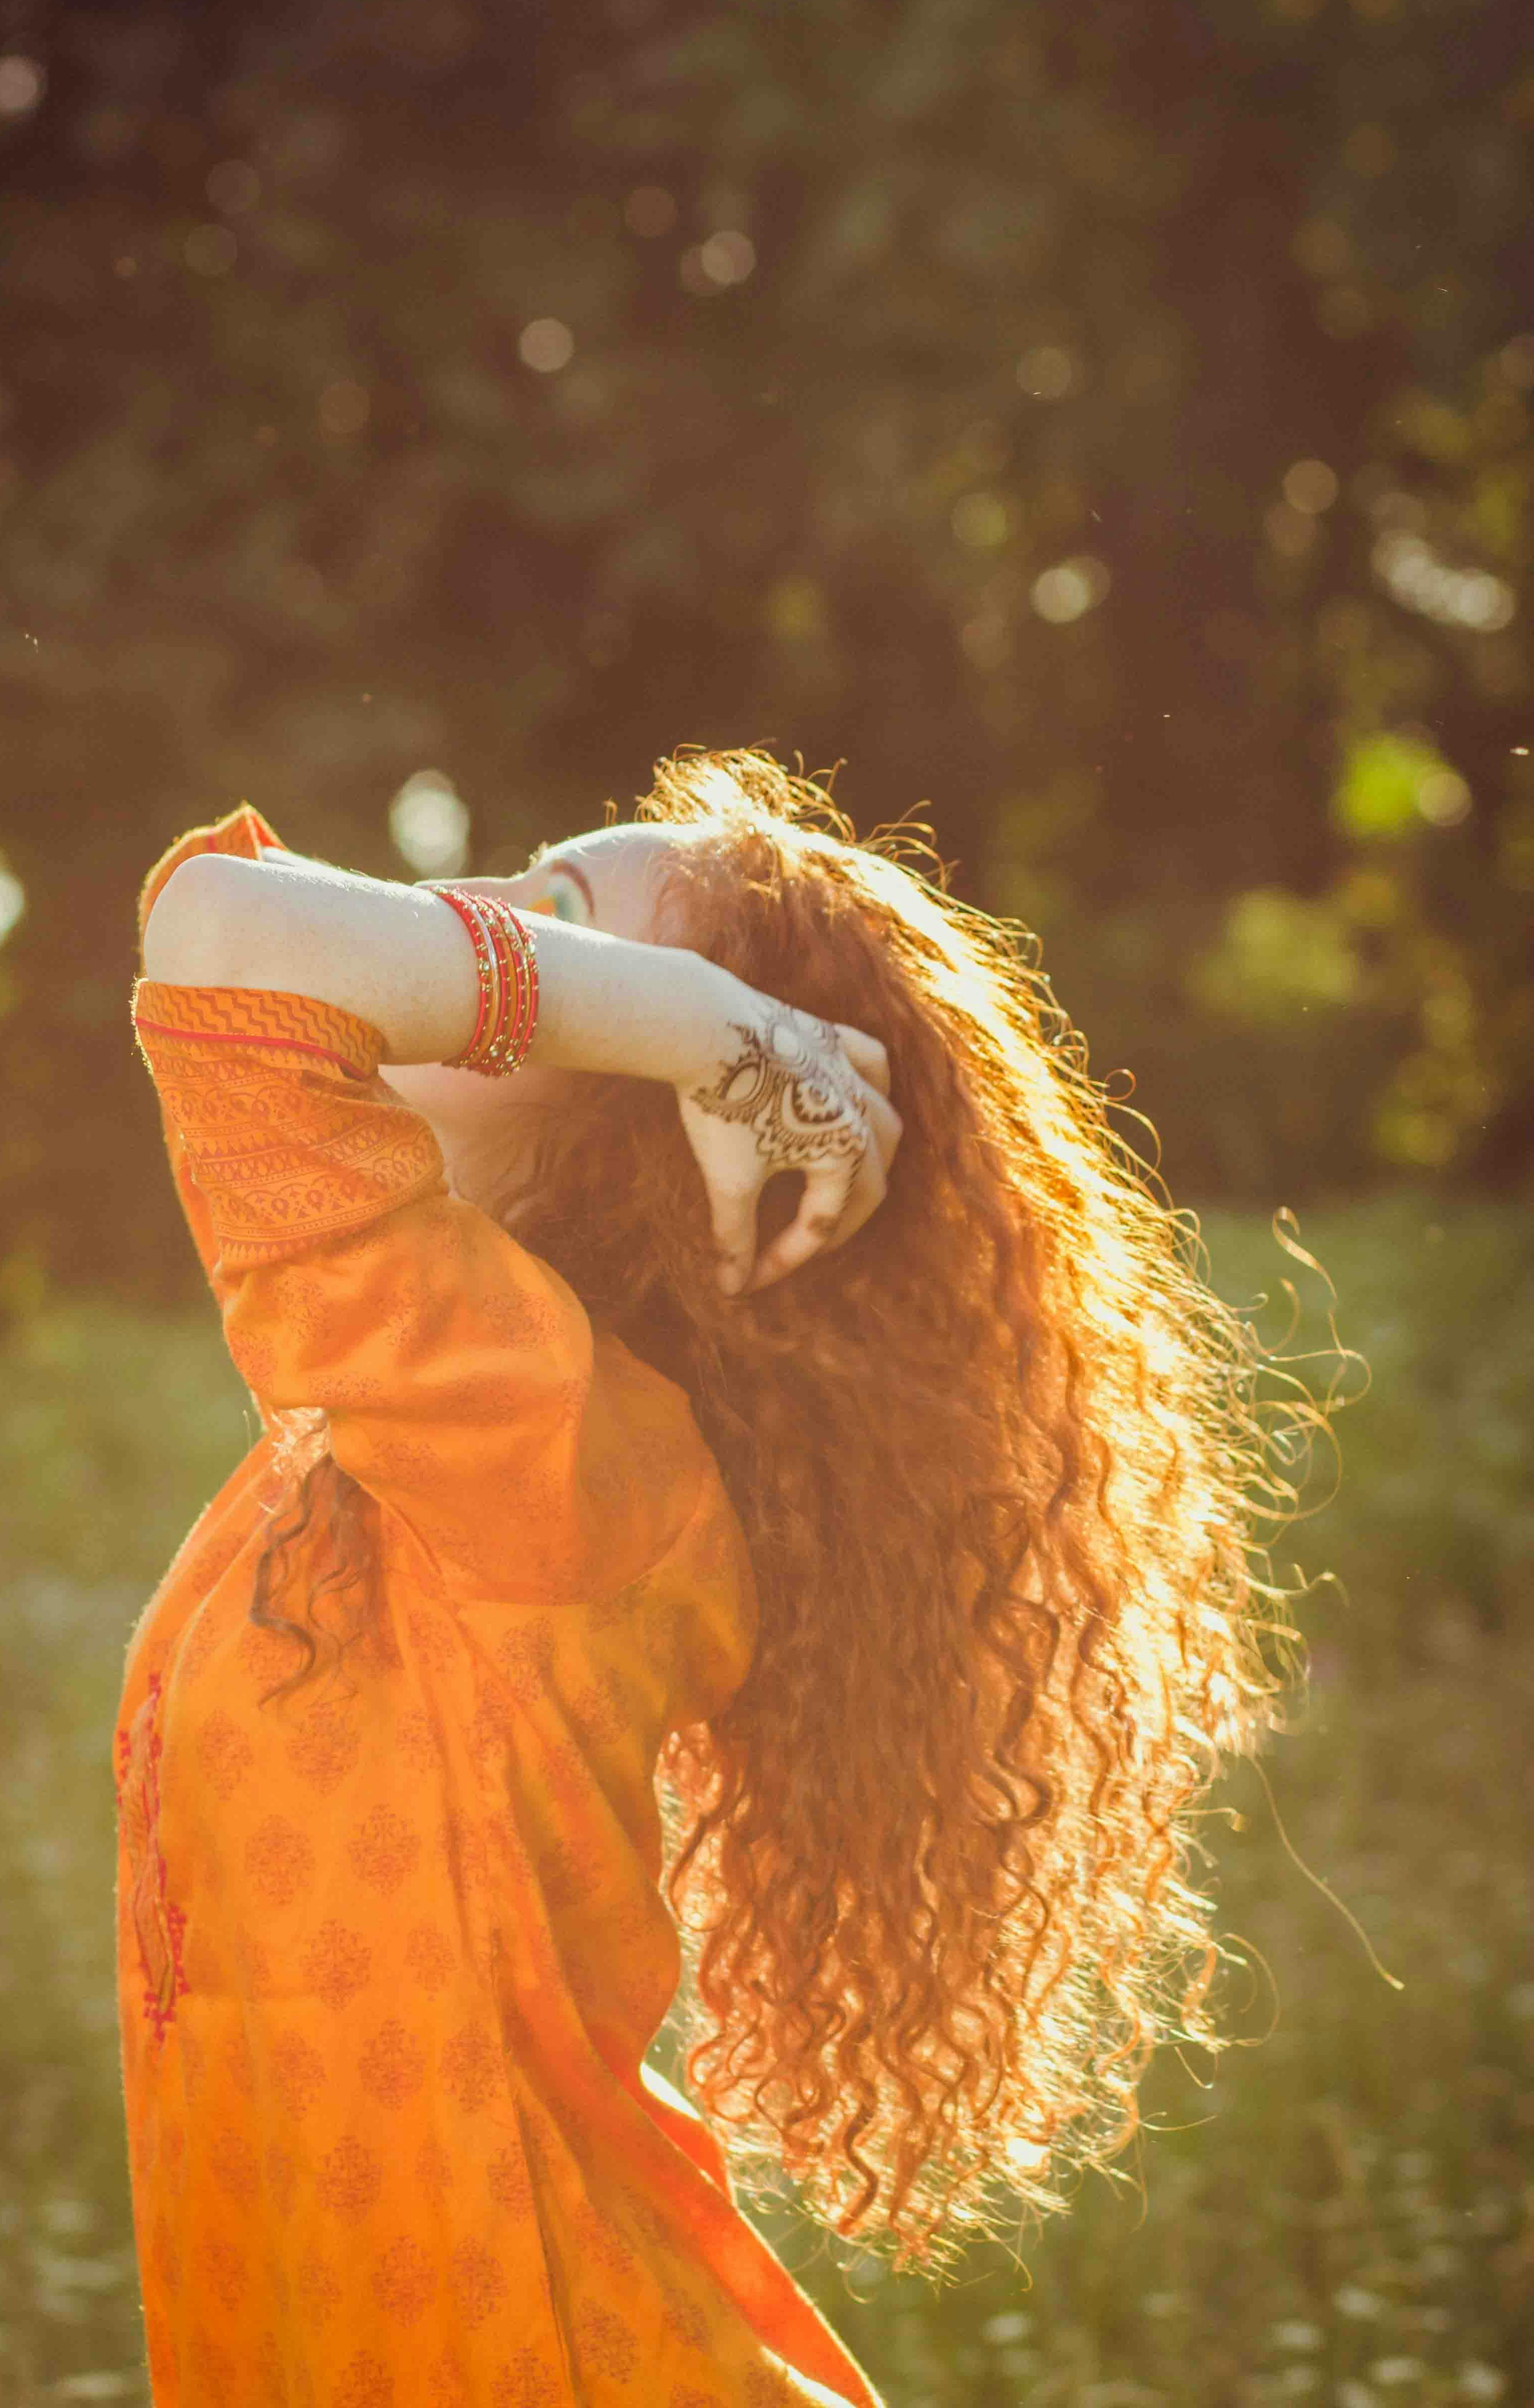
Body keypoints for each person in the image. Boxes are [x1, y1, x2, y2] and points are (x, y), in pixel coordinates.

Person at [115, 748, 1295, 2408]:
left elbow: (223, 930)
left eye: (566, 927)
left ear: (658, 1124)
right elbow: (231, 932)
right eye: (539, 914)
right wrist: (688, 1009)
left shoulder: (545, 1444)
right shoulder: (423, 1408)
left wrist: (702, 1026)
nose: (476, 926)